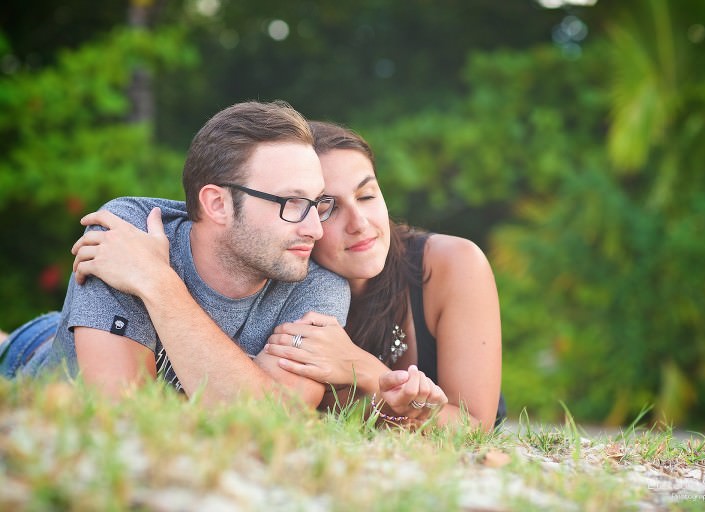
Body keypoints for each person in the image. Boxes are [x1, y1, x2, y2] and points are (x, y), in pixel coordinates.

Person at [0, 100, 351, 407]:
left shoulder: (316, 280)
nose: (315, 230)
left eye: (318, 203)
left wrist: (157, 284)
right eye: (291, 203)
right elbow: (120, 412)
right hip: (34, 357)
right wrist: (246, 385)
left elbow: (276, 419)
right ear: (217, 204)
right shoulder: (129, 231)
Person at [263, 121, 505, 430]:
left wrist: (360, 368)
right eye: (328, 208)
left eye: (366, 196)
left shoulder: (452, 264)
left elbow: (474, 429)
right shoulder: (280, 288)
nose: (359, 223)